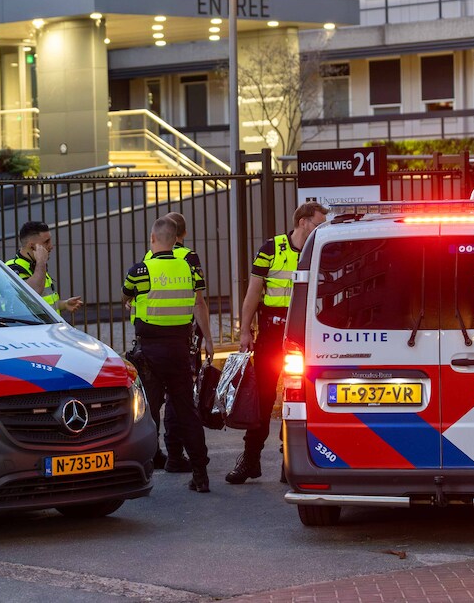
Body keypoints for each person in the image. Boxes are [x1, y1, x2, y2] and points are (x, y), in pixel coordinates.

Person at [227, 201, 327, 485]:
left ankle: (290, 462)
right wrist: (245, 331)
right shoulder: (272, 248)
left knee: (302, 399)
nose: (321, 229)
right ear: (303, 221)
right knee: (262, 399)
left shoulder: (321, 251)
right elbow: (253, 293)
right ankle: (249, 460)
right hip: (272, 335)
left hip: (305, 336)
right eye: (318, 223)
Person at [124, 217, 211, 492]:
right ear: (176, 240)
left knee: (147, 413)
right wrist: (208, 339)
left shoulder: (140, 270)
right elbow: (199, 301)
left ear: (152, 239)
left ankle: (144, 473)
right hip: (179, 349)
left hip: (149, 351)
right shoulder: (189, 268)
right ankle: (200, 473)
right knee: (187, 411)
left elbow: (127, 297)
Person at [6, 221, 84, 313]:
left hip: (47, 327)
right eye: (46, 242)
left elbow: (43, 303)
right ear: (32, 246)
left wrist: (64, 304)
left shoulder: (37, 266)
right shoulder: (13, 268)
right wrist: (41, 261)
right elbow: (31, 294)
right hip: (31, 327)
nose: (51, 246)